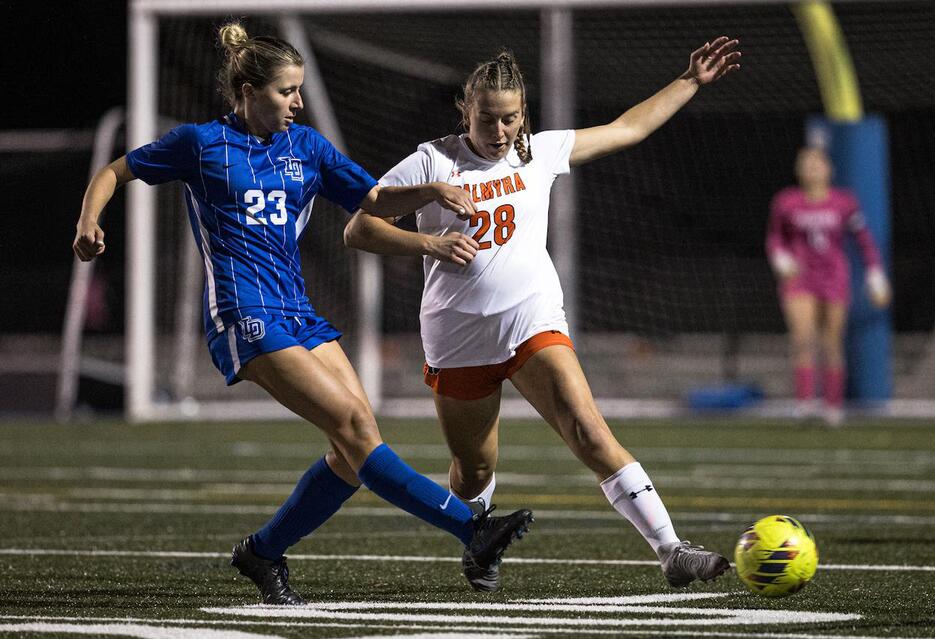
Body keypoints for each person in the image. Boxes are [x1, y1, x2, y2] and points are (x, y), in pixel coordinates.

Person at [72, 23, 535, 603]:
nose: (297, 102)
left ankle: (262, 553)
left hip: (298, 309)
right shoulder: (200, 143)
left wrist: (433, 191)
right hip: (244, 313)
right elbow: (115, 171)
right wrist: (89, 219)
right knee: (355, 429)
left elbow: (373, 199)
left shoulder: (306, 148)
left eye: (299, 90)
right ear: (248, 91)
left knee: (352, 452)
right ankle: (471, 529)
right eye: (286, 91)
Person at [343, 39, 741, 590]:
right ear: (465, 110)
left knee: (587, 428)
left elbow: (628, 128)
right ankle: (478, 540)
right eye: (487, 118)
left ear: (523, 113)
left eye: (510, 118)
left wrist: (690, 80)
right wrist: (428, 244)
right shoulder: (433, 161)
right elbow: (359, 228)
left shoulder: (539, 152)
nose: (499, 130)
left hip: (532, 321)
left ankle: (671, 549)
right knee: (474, 471)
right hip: (457, 336)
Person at [766, 146, 890, 426]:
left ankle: (832, 405)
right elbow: (775, 238)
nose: (812, 168)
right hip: (800, 277)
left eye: (817, 163)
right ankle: (805, 403)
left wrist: (875, 274)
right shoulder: (786, 202)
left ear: (829, 169)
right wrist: (781, 259)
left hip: (834, 277)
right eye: (806, 163)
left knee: (831, 341)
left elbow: (864, 240)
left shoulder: (844, 202)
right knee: (803, 338)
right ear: (798, 170)